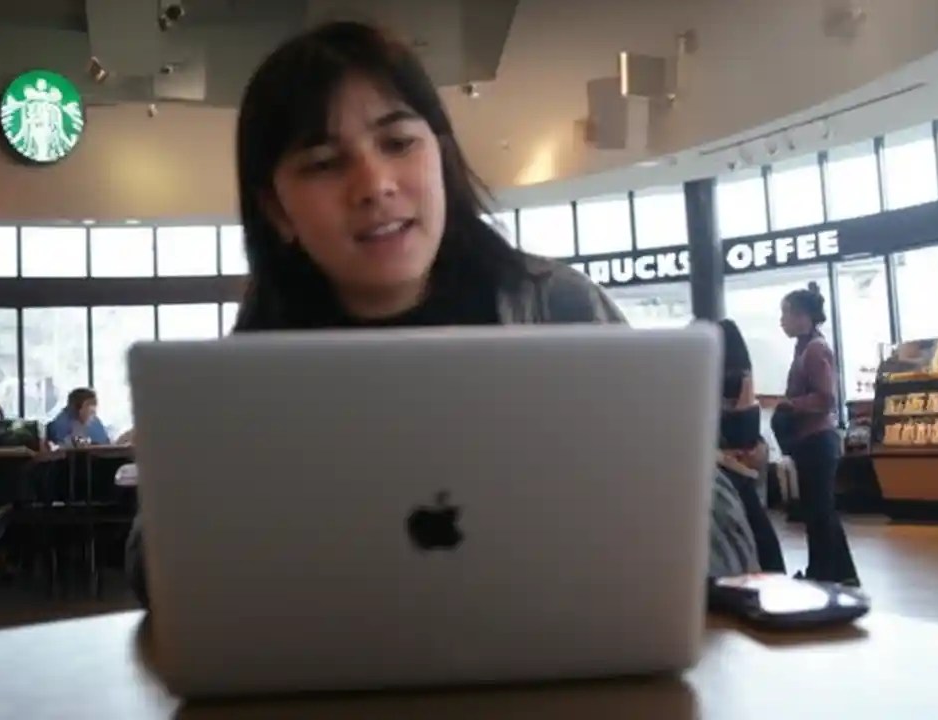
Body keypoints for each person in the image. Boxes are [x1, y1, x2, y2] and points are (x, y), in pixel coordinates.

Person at [125, 20, 751, 605]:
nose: (373, 184)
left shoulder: (555, 305)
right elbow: (153, 565)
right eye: (323, 163)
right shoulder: (250, 364)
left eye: (398, 142)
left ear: (442, 159)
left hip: (554, 657)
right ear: (278, 211)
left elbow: (719, 522)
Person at [776, 283, 859, 585]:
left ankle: (826, 573)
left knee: (819, 511)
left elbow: (825, 398)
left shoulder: (815, 350)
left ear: (803, 316)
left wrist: (789, 404)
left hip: (817, 440)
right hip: (811, 441)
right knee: (819, 511)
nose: (782, 320)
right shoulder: (805, 348)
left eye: (786, 313)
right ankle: (837, 573)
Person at [716, 319, 786, 573]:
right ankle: (772, 574)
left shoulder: (705, 379)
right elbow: (746, 414)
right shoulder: (743, 374)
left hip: (724, 460)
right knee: (756, 524)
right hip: (744, 459)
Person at [44, 387, 111, 446]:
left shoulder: (95, 422)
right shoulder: (60, 424)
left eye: (94, 404)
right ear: (75, 407)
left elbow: (106, 445)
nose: (93, 409)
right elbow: (62, 449)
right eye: (89, 404)